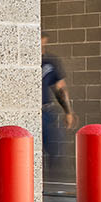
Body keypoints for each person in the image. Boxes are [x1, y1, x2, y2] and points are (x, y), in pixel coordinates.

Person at [41, 32, 76, 183]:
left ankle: (53, 182)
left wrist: (68, 112)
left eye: (43, 43)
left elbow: (60, 88)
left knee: (55, 149)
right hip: (26, 112)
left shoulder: (50, 62)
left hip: (45, 111)